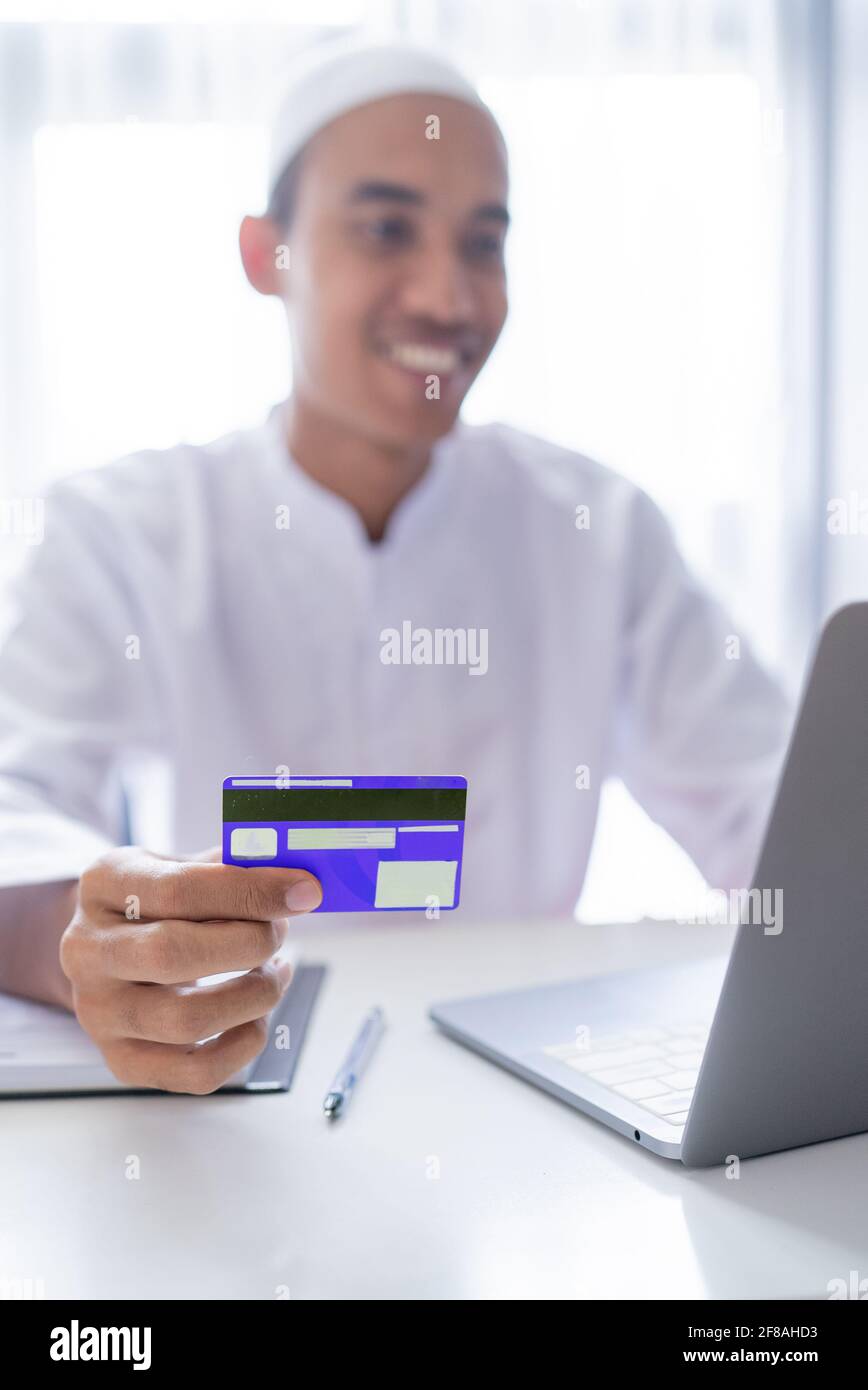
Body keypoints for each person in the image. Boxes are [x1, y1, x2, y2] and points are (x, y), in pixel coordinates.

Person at [0, 39, 790, 1094]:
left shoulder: (597, 525)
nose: (447, 297)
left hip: (531, 1108)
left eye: (483, 243)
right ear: (265, 255)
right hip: (222, 1101)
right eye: (385, 229)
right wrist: (99, 946)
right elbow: (15, 814)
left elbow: (779, 818)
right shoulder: (122, 528)